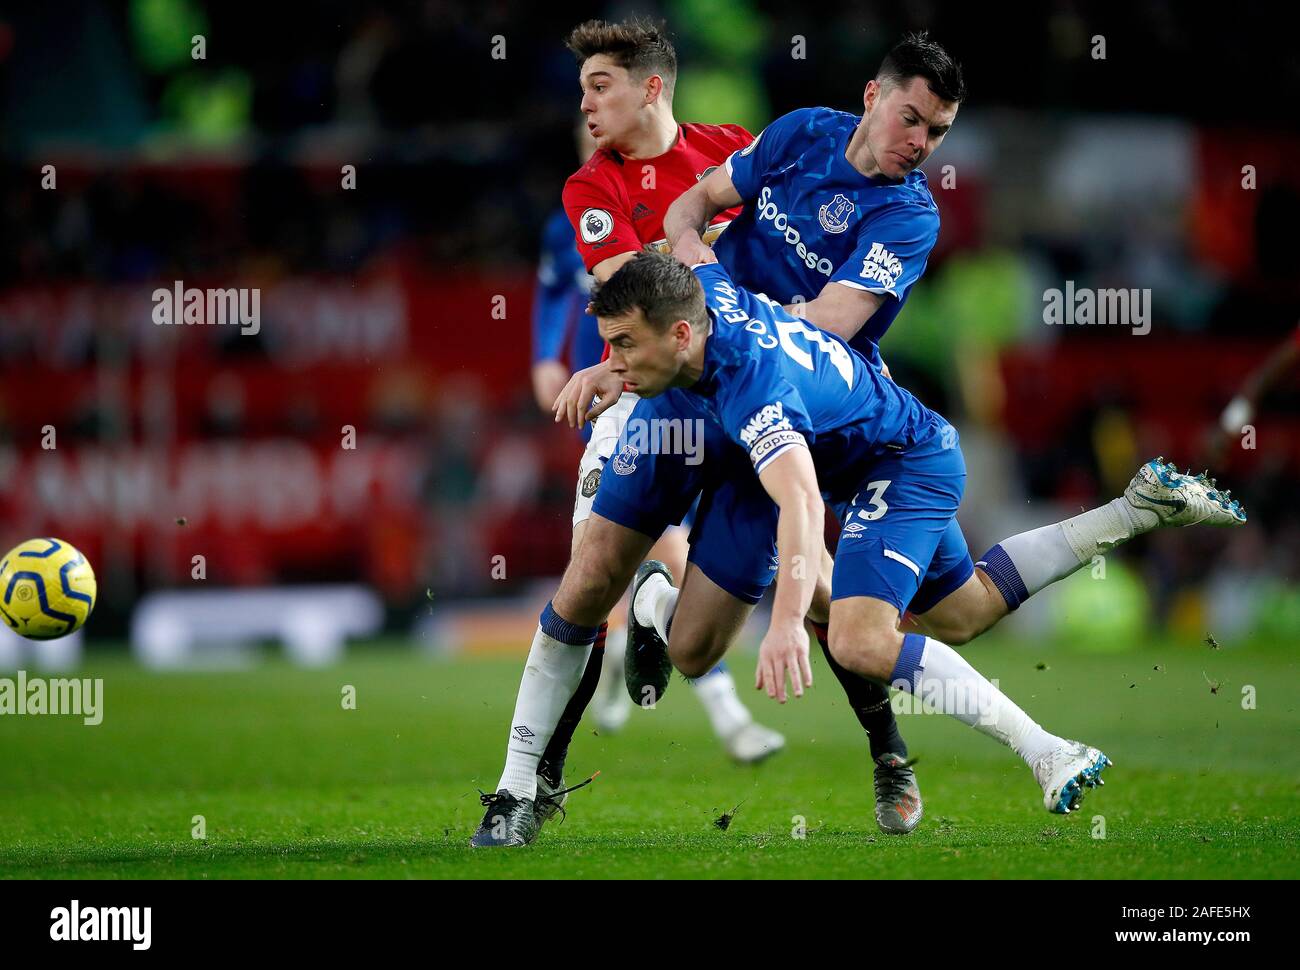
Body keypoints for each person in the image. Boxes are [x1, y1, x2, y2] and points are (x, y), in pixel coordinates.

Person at [588, 250, 1247, 819]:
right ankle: (1136, 509)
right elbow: (684, 243)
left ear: (679, 334)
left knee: (858, 637)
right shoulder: (705, 294)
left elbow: (801, 503)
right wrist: (607, 360)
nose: (614, 363)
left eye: (622, 346)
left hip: (904, 461)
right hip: (867, 449)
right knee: (962, 613)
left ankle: (1048, 751)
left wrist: (786, 620)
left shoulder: (753, 389)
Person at [472, 17, 784, 850]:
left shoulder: (734, 148)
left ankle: (898, 749)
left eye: (600, 86)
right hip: (646, 404)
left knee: (823, 596)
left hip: (751, 394)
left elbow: (784, 258)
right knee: (582, 590)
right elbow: (638, 300)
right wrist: (718, 240)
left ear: (652, 87)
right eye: (581, 91)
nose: (587, 105)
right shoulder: (589, 189)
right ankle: (517, 789)